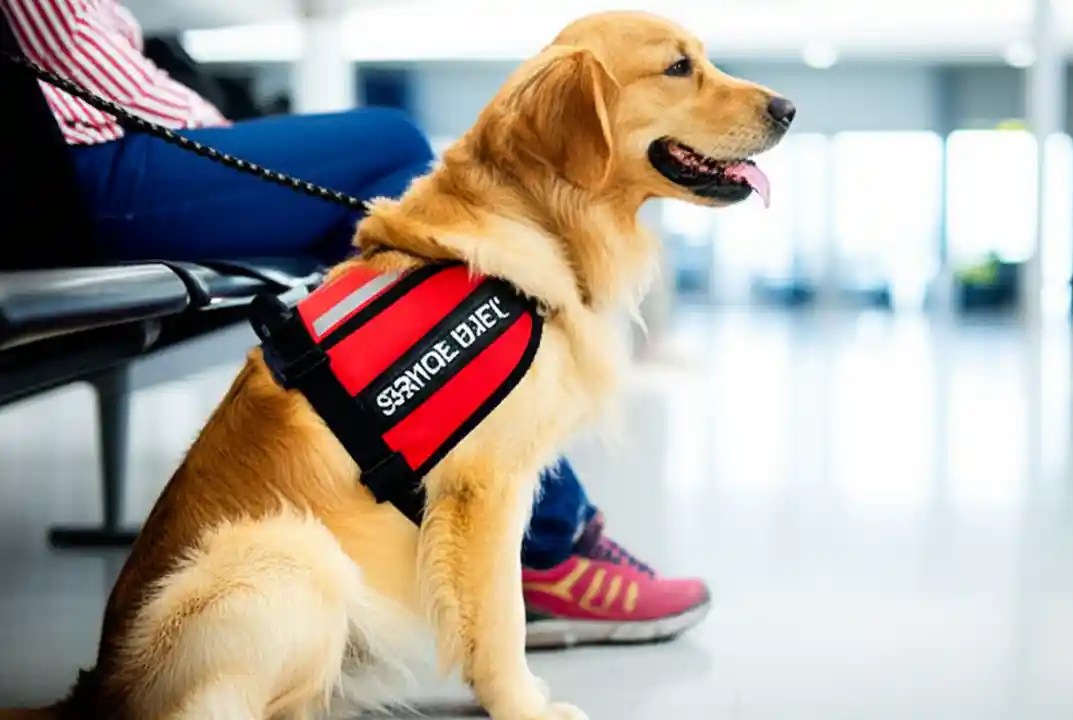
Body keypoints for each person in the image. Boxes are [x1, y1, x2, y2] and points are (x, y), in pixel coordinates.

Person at [1, 0, 710, 648]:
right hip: (90, 169)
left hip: (127, 152)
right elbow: (86, 79)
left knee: (392, 225)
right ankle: (545, 538)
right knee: (389, 146)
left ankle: (531, 523)